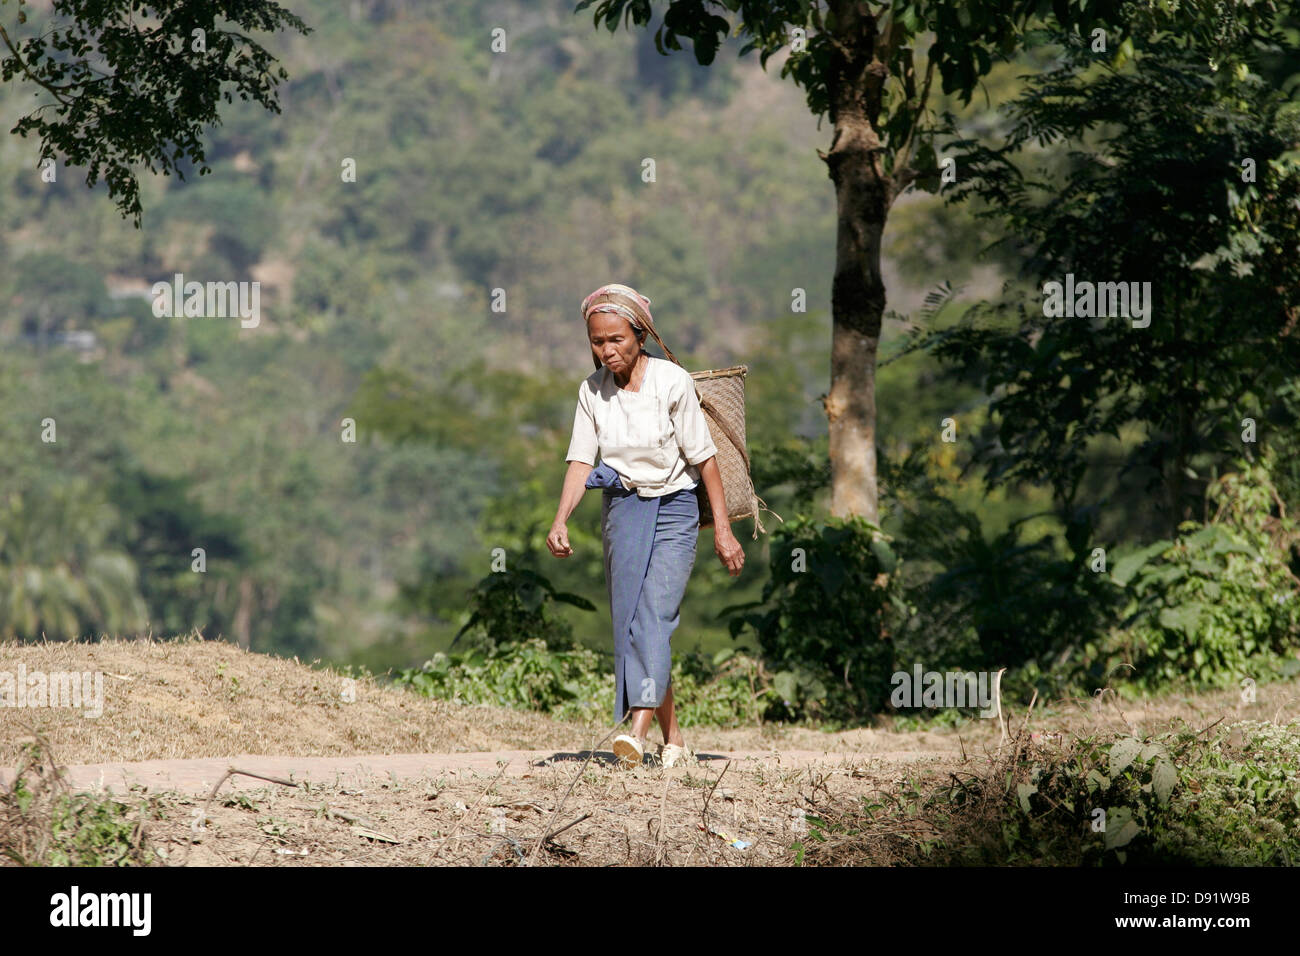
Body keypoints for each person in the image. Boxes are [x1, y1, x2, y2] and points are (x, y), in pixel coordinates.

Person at [547, 282, 744, 769]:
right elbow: (579, 462)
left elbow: (706, 460)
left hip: (675, 507)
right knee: (634, 622)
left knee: (654, 618)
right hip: (622, 510)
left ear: (640, 335)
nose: (608, 350)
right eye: (598, 341)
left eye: (617, 339)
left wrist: (723, 530)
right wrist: (560, 520)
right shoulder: (591, 392)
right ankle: (673, 736)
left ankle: (636, 729)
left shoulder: (672, 381)